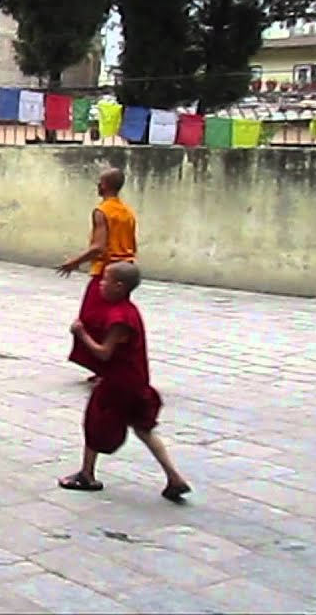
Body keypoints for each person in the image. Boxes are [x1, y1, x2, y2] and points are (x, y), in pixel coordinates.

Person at [58, 263, 192, 503]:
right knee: (144, 429)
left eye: (105, 281)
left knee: (94, 423)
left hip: (117, 382)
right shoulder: (128, 310)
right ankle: (174, 478)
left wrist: (81, 333)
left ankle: (87, 474)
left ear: (119, 287)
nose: (100, 284)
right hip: (136, 380)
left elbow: (103, 353)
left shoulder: (119, 317)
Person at [57, 168, 137, 384]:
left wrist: (74, 262)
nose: (98, 185)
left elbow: (99, 247)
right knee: (115, 320)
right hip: (125, 270)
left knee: (92, 318)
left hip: (107, 272)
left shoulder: (102, 211)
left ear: (105, 185)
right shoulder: (127, 212)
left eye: (100, 182)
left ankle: (102, 364)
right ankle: (108, 366)